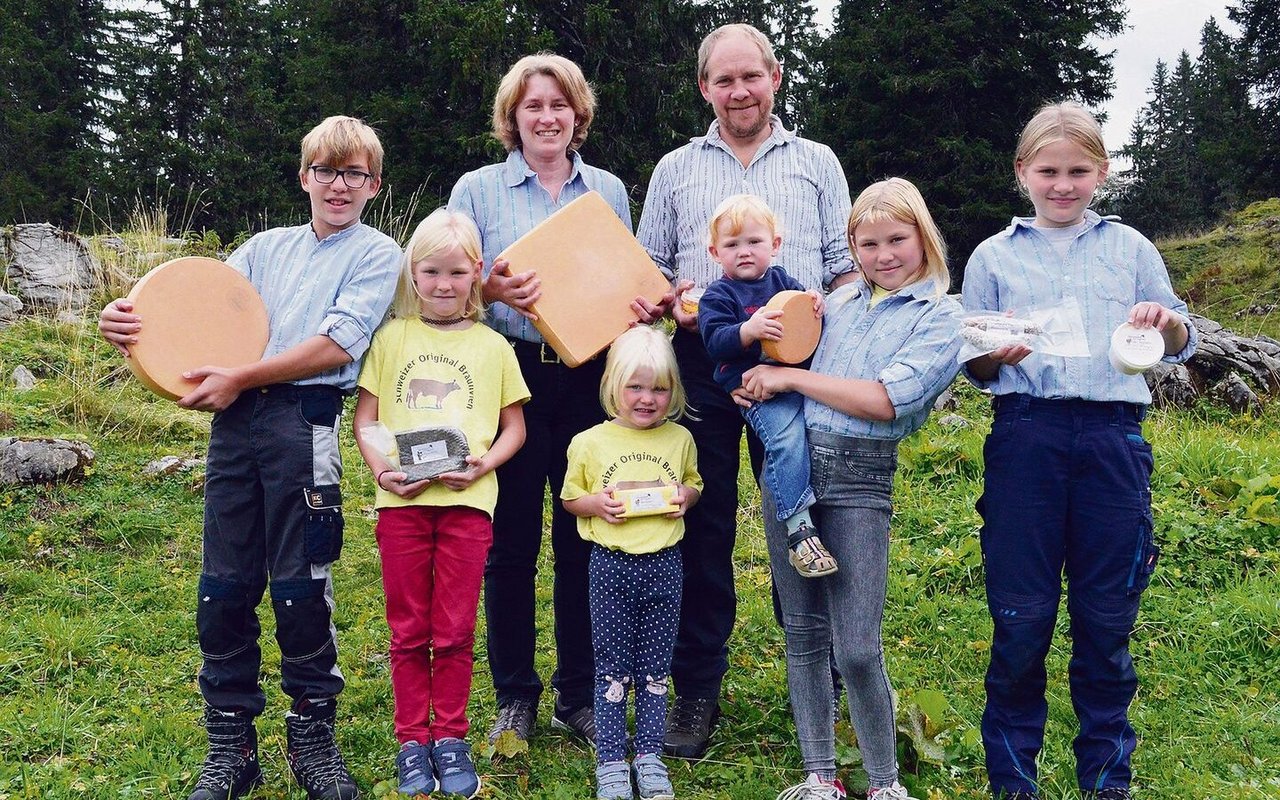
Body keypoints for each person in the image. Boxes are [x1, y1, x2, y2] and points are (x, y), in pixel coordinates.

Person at [98, 116, 402, 800]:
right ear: (304, 176)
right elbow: (195, 315)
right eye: (325, 169)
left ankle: (312, 740)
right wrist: (125, 324)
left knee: (302, 586)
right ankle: (231, 747)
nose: (338, 184)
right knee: (223, 587)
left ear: (373, 186)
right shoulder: (261, 249)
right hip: (235, 428)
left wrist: (245, 375)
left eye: (354, 173)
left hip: (308, 420)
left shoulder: (380, 254)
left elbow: (337, 344)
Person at [961, 102, 1196, 800]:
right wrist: (991, 355)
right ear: (1022, 173)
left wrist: (1166, 323)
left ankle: (1106, 778)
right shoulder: (992, 255)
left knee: (1105, 616)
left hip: (1113, 439)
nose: (1062, 185)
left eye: (1077, 172)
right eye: (1048, 171)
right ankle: (1014, 780)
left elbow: (1183, 339)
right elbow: (973, 363)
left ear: (1101, 172)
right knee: (1022, 616)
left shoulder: (1131, 249)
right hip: (1024, 437)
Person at [636, 22, 855, 758]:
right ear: (705, 88)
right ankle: (696, 689)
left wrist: (825, 320)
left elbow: (843, 264)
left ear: (776, 76)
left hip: (795, 373)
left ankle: (820, 683)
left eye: (750, 77)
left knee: (804, 516)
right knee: (705, 524)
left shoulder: (818, 163)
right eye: (723, 80)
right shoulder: (674, 170)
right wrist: (678, 301)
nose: (738, 91)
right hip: (706, 368)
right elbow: (649, 272)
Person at [448, 52, 667, 748]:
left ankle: (581, 693)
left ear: (578, 115)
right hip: (507, 375)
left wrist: (642, 306)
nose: (546, 117)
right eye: (532, 106)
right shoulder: (477, 191)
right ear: (512, 117)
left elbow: (622, 287)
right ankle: (514, 695)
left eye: (559, 105)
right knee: (509, 543)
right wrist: (490, 291)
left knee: (585, 541)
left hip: (588, 377)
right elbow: (446, 283)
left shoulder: (605, 189)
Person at [737, 178, 960, 800]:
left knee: (857, 646)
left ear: (924, 239)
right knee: (804, 633)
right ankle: (818, 775)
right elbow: (772, 345)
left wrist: (789, 382)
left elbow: (889, 400)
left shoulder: (941, 316)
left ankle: (885, 782)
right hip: (793, 473)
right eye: (868, 244)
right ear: (851, 247)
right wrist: (754, 382)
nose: (884, 255)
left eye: (898, 240)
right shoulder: (832, 306)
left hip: (862, 477)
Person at [352, 209, 529, 798]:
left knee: (453, 626)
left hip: (468, 505)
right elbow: (367, 420)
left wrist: (483, 464)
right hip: (401, 506)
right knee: (408, 627)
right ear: (414, 273)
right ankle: (411, 740)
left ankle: (450, 735)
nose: (444, 285)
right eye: (431, 273)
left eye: (456, 273)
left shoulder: (495, 347)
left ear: (477, 273)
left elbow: (513, 430)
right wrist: (384, 470)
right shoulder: (391, 339)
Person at [561, 325, 702, 800]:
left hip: (666, 565)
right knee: (612, 667)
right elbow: (570, 499)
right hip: (610, 566)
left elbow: (692, 483)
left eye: (659, 389)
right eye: (635, 387)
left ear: (673, 391)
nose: (647, 399)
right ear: (612, 387)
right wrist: (596, 505)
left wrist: (686, 495)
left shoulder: (680, 439)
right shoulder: (589, 442)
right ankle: (611, 758)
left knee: (656, 668)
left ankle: (648, 753)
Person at [698, 194, 832, 577]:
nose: (744, 252)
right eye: (732, 244)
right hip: (752, 389)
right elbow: (714, 342)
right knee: (784, 442)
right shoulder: (718, 294)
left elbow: (804, 316)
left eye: (754, 242)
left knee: (806, 442)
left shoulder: (783, 281)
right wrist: (747, 330)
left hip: (791, 382)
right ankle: (798, 530)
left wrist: (815, 303)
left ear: (774, 245)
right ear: (714, 251)